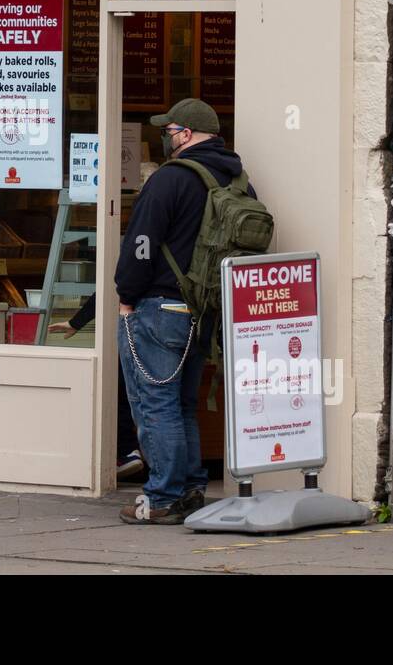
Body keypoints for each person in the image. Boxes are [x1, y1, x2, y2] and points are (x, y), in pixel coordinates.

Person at [113, 98, 254, 525]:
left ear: (185, 134)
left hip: (159, 309)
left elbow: (141, 244)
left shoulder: (169, 178)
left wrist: (126, 295)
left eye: (168, 130)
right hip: (205, 311)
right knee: (183, 404)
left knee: (155, 404)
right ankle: (192, 489)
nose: (165, 137)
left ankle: (162, 497)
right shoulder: (238, 181)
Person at [48, 294, 145, 480]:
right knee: (165, 403)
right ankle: (171, 474)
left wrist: (77, 322)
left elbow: (118, 288)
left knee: (118, 392)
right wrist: (76, 322)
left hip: (138, 328)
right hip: (176, 327)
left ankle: (129, 454)